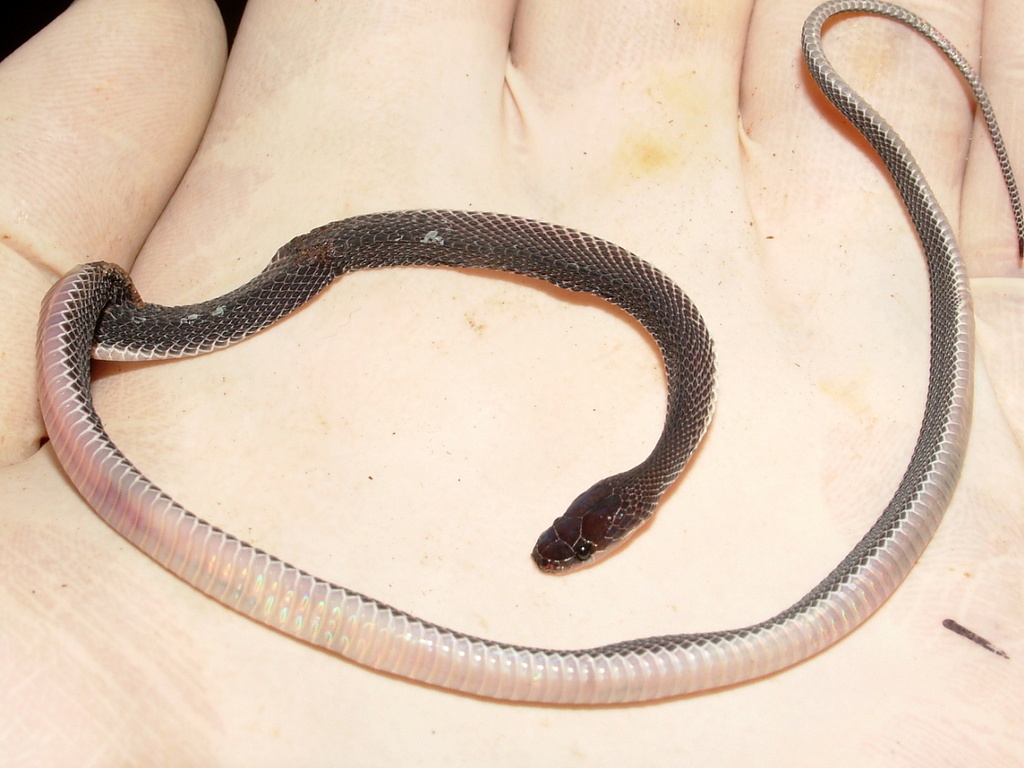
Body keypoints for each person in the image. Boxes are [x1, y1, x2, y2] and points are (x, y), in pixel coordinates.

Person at [1, 0, 1020, 763]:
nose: (570, 552)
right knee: (307, 254)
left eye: (582, 547)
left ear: (629, 516)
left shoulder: (682, 387)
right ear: (611, 514)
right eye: (579, 542)